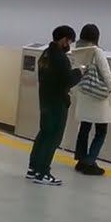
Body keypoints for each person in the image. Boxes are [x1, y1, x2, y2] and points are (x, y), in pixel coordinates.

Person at [28, 25, 83, 185]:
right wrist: (79, 72)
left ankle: (33, 168)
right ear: (64, 39)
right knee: (53, 137)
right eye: (69, 41)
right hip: (57, 103)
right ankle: (43, 172)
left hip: (44, 100)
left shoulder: (45, 54)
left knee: (44, 134)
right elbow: (67, 80)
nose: (69, 45)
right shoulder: (60, 58)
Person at [72, 23, 111, 176]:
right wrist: (110, 88)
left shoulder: (77, 51)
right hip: (98, 96)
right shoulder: (97, 51)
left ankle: (81, 160)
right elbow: (105, 73)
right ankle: (90, 162)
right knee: (101, 131)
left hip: (84, 93)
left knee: (84, 127)